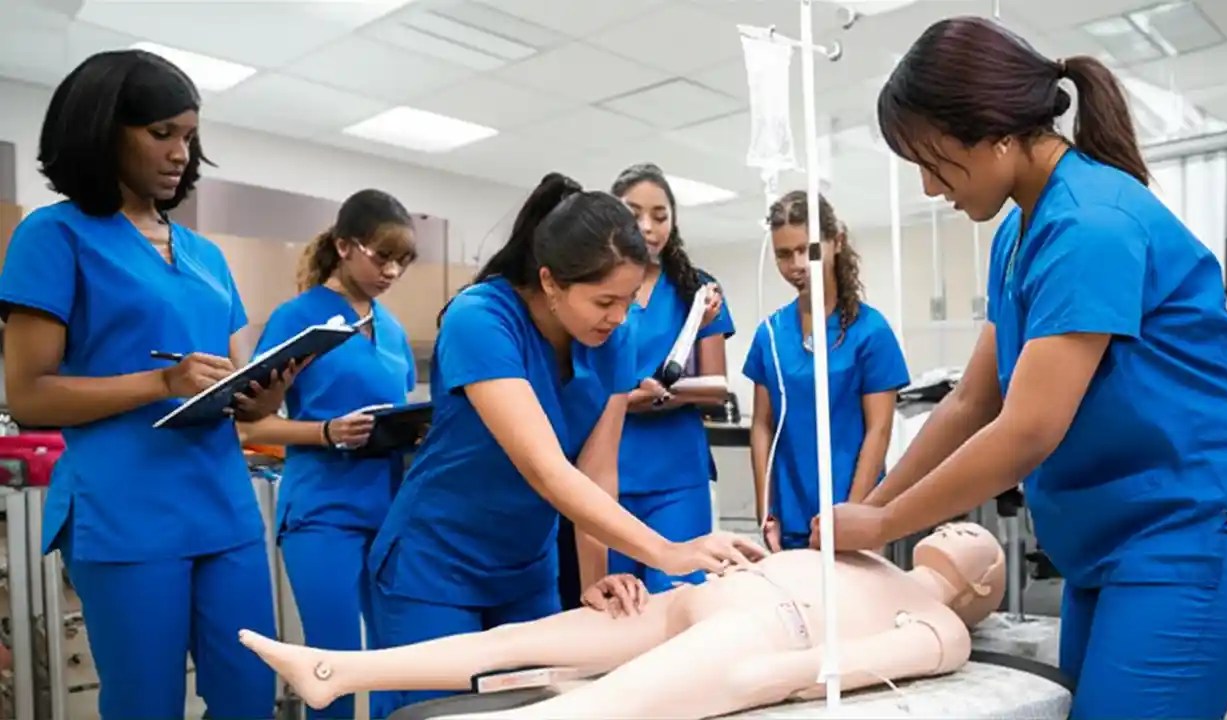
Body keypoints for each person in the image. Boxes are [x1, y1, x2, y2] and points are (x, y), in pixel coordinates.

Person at [816, 16, 1227, 720]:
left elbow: (1026, 430)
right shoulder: (1020, 232)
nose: (931, 187)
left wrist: (882, 529)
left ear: (997, 135)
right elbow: (973, 401)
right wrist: (873, 508)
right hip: (1118, 535)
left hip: (1203, 525)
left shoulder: (1090, 223)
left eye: (935, 161)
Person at [363, 172, 766, 714]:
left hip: (526, 569)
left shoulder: (612, 339)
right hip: (435, 566)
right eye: (605, 301)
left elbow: (598, 471)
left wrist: (593, 583)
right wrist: (668, 551)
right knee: (439, 710)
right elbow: (549, 470)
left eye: (627, 301)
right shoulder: (480, 319)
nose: (620, 317)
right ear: (551, 283)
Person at [0, 50, 291, 719]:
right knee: (146, 704)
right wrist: (162, 381)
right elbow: (30, 394)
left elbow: (233, 386)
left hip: (223, 504)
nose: (181, 153)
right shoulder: (54, 236)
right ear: (103, 131)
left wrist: (263, 394)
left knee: (251, 696)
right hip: (126, 511)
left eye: (189, 136)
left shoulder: (205, 255)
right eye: (162, 133)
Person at [240, 522, 1004, 720]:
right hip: (725, 591)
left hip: (774, 631)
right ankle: (339, 669)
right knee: (518, 641)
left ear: (981, 592)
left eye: (985, 550)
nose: (971, 535)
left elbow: (864, 661)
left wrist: (764, 680)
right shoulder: (873, 554)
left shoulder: (944, 623)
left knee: (603, 706)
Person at [237, 189, 418, 719]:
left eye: (402, 262)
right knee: (332, 670)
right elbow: (250, 426)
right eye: (381, 255)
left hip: (388, 513)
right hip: (323, 514)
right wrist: (327, 433)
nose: (390, 271)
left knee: (398, 663)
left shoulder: (394, 329)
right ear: (343, 246)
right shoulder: (300, 318)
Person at [745, 192, 909, 552]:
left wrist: (852, 513)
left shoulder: (871, 332)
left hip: (853, 512)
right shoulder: (770, 335)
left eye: (808, 249)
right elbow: (761, 426)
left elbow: (878, 430)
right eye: (784, 255)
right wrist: (765, 511)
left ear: (836, 242)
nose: (797, 265)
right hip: (789, 515)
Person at [603, 162, 736, 594]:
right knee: (615, 602)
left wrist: (659, 394)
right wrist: (625, 399)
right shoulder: (594, 286)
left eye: (660, 215)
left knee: (678, 596)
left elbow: (716, 385)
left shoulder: (697, 290)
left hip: (678, 476)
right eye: (634, 213)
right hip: (607, 472)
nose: (648, 227)